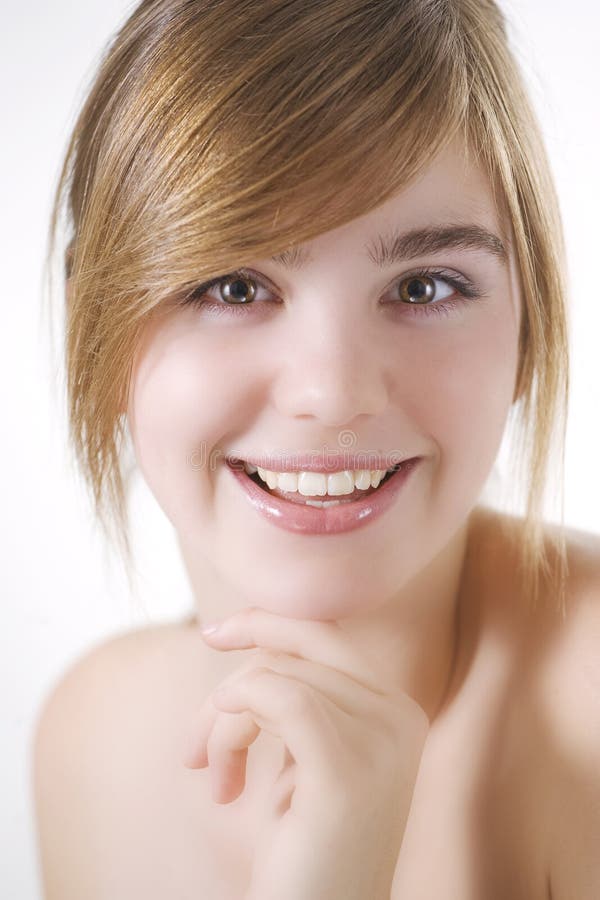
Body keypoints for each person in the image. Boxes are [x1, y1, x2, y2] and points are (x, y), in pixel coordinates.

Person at [33, 0, 600, 897]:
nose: (333, 393)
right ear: (88, 335)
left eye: (424, 284)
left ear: (528, 331)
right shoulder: (93, 734)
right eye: (231, 284)